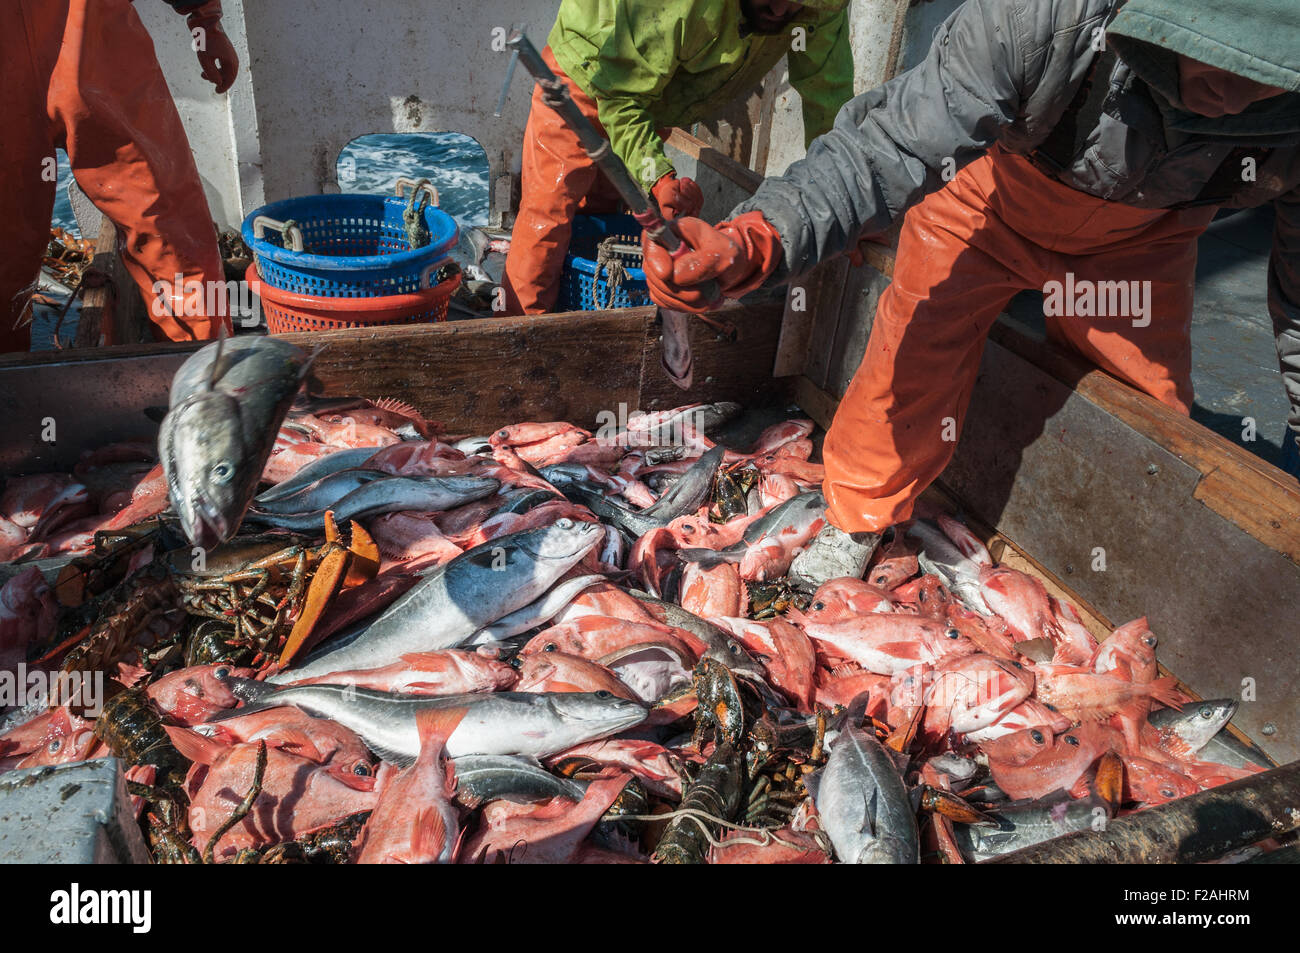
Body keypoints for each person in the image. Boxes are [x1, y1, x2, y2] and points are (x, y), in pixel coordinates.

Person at [641, 0, 1300, 586]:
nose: (1232, 89)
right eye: (1213, 54)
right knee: (914, 360)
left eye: (1265, 73)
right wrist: (758, 239)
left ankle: (1106, 573)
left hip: (1142, 242)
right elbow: (885, 147)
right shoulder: (1041, 18)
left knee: (1147, 423)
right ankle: (858, 517)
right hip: (987, 206)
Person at [502, 0, 854, 316]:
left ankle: (586, 315)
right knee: (549, 213)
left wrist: (843, 199)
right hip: (587, 68)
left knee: (603, 216)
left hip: (652, 97)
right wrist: (658, 176)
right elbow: (621, 100)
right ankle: (514, 338)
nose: (779, 10)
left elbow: (828, 100)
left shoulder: (820, 9)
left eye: (795, 4)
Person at [1, 0, 239, 353]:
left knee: (174, 235)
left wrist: (205, 19)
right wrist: (205, 20)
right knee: (172, 231)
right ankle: (209, 367)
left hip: (92, 37)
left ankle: (208, 369)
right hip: (93, 46)